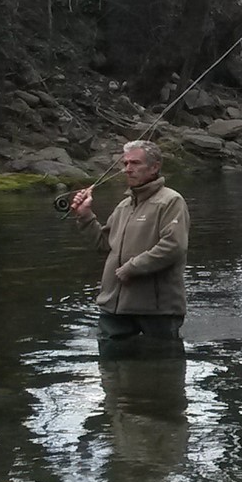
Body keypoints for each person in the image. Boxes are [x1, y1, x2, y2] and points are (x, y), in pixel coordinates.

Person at [70, 140, 190, 354]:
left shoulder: (171, 201)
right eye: (125, 163)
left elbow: (174, 246)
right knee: (111, 370)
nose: (128, 169)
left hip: (157, 311)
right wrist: (85, 216)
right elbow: (104, 245)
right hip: (113, 309)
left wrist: (132, 268)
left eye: (135, 163)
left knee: (163, 370)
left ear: (154, 167)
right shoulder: (123, 206)